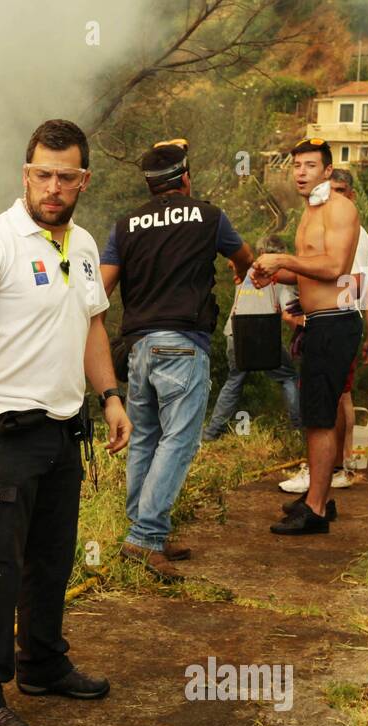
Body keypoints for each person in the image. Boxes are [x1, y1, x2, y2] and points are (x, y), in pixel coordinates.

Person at [0, 119, 129, 726]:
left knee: (51, 557)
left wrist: (111, 397)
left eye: (65, 176)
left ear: (83, 180)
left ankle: (42, 665)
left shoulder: (82, 243)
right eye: (42, 174)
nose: (53, 186)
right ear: (26, 175)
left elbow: (93, 328)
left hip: (61, 428)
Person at [99, 141, 254, 575]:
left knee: (146, 436)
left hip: (138, 349)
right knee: (179, 440)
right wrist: (242, 272)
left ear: (150, 186)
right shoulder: (208, 216)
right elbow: (244, 260)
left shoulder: (125, 225)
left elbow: (101, 290)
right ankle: (144, 536)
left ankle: (148, 529)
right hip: (183, 345)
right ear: (185, 179)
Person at [250, 139, 362, 534]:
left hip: (336, 320)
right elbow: (307, 270)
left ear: (328, 172)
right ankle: (320, 498)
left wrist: (281, 259)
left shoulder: (340, 207)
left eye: (310, 165)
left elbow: (334, 266)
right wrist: (272, 274)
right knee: (318, 415)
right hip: (317, 322)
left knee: (318, 418)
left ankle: (315, 510)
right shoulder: (309, 211)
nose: (300, 172)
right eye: (296, 165)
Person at [275, 167, 368, 499]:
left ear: (350, 193)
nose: (332, 195)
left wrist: (287, 265)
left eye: (340, 190)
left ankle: (330, 475)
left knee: (328, 403)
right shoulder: (324, 220)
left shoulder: (349, 227)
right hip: (330, 318)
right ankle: (334, 471)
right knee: (335, 398)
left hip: (336, 320)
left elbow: (352, 279)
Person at [203, 234, 302, 442]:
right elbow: (287, 312)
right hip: (264, 335)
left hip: (236, 332)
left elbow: (233, 259)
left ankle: (212, 433)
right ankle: (298, 429)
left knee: (234, 380)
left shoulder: (246, 267)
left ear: (259, 253)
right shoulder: (281, 277)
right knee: (288, 377)